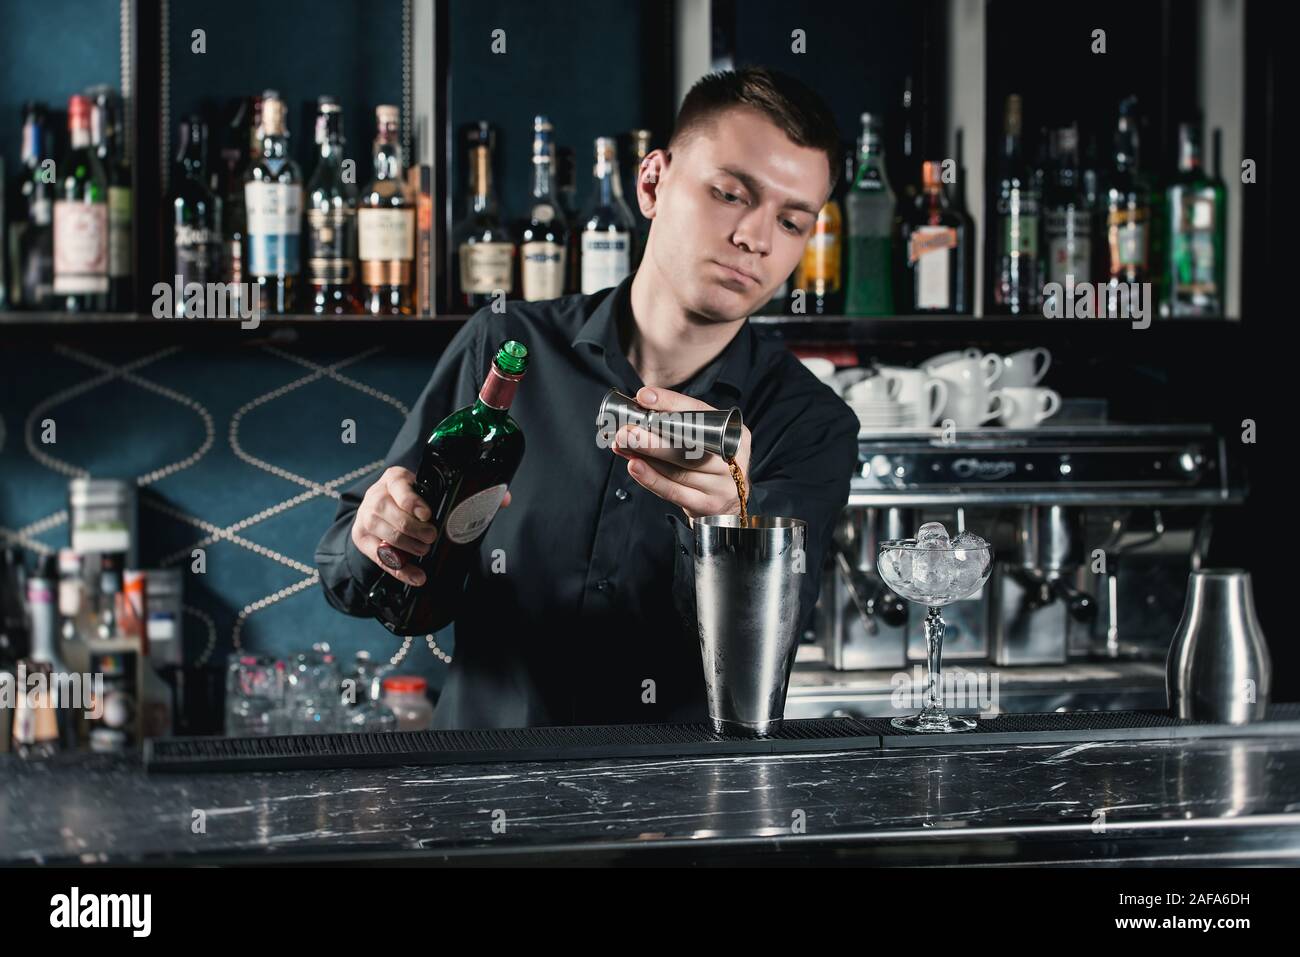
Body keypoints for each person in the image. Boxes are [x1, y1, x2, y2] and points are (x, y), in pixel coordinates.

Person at [315, 67, 861, 729]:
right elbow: (362, 575)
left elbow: (766, 658)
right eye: (728, 193)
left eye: (793, 221)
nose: (757, 237)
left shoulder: (809, 423)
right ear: (652, 182)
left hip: (680, 818)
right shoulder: (507, 346)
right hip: (482, 798)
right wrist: (380, 536)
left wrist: (727, 531)